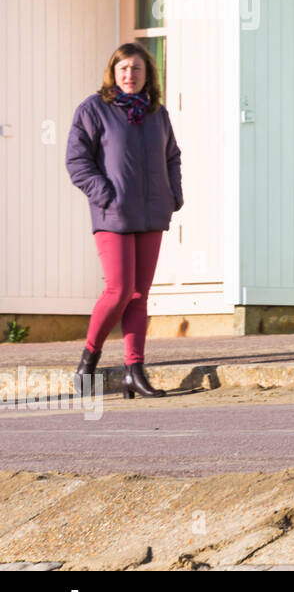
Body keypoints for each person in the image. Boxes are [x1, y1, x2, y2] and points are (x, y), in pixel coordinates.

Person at [65, 43, 182, 399]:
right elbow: (77, 160)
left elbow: (172, 157)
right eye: (123, 69)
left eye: (137, 69)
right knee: (118, 290)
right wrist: (104, 193)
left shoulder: (156, 113)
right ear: (113, 73)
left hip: (151, 213)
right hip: (112, 212)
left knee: (139, 296)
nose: (130, 75)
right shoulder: (93, 109)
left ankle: (135, 370)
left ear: (148, 75)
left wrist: (173, 195)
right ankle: (89, 359)